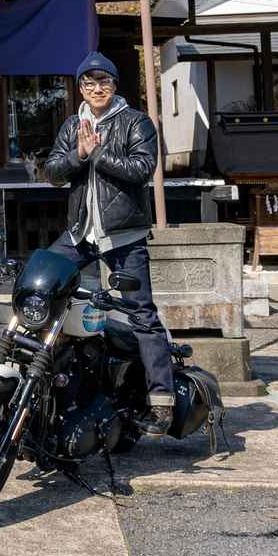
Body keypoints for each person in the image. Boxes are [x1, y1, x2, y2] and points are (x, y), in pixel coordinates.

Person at [43, 51, 175, 438]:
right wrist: (78, 153)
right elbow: (52, 172)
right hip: (81, 231)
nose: (96, 88)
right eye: (89, 82)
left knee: (141, 314)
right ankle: (47, 380)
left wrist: (98, 153)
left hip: (124, 234)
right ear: (80, 88)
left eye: (104, 82)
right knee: (41, 285)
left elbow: (141, 169)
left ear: (115, 86)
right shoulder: (72, 125)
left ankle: (161, 401)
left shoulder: (136, 122)